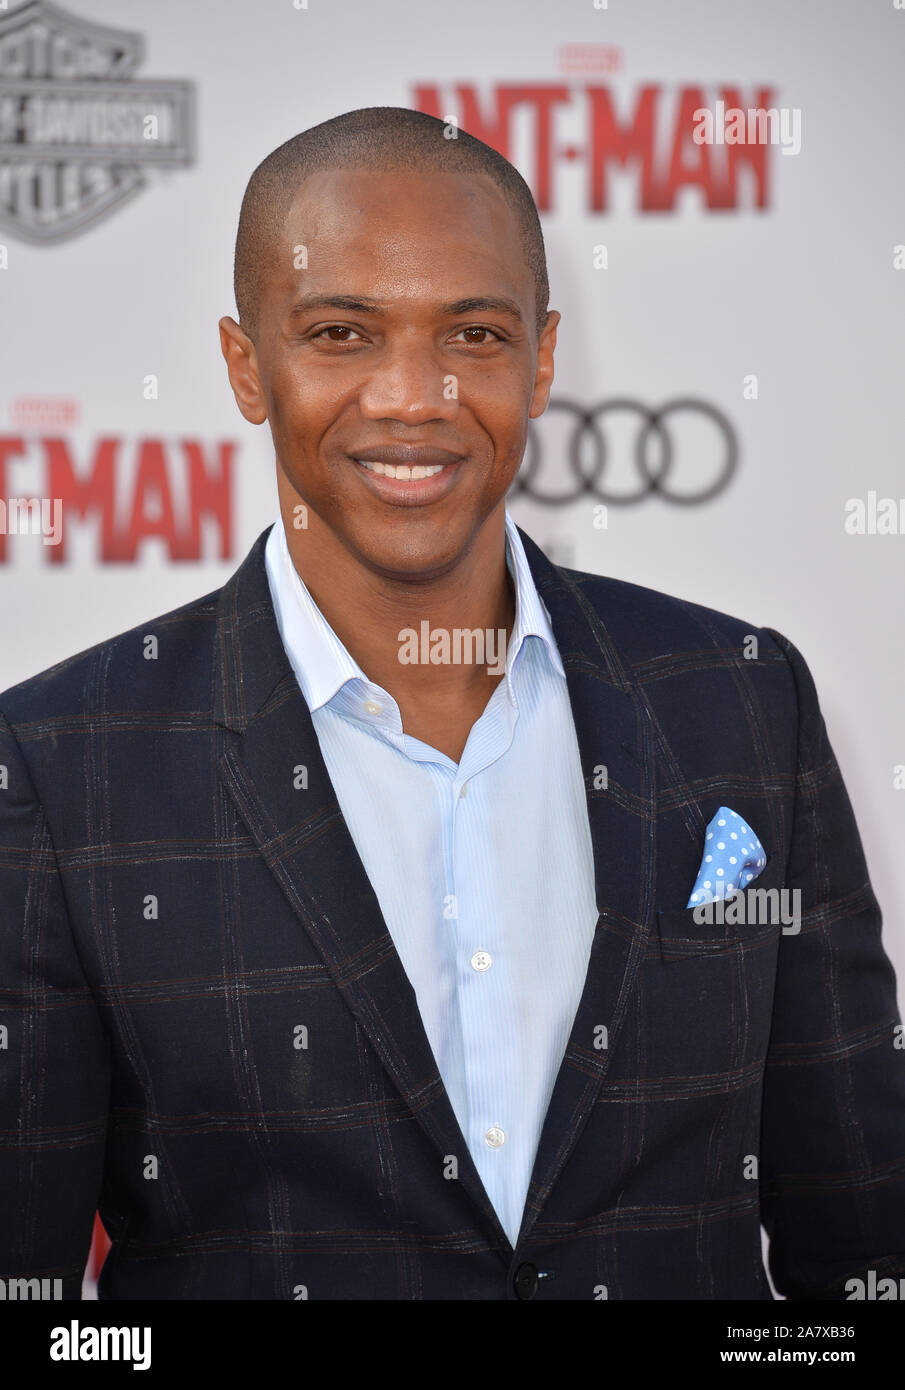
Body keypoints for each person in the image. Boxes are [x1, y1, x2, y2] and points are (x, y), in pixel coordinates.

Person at [1, 107, 903, 1301]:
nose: (412, 397)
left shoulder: (738, 701)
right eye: (341, 333)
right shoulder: (68, 763)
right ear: (243, 365)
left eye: (471, 333)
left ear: (538, 360)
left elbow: (863, 1246)